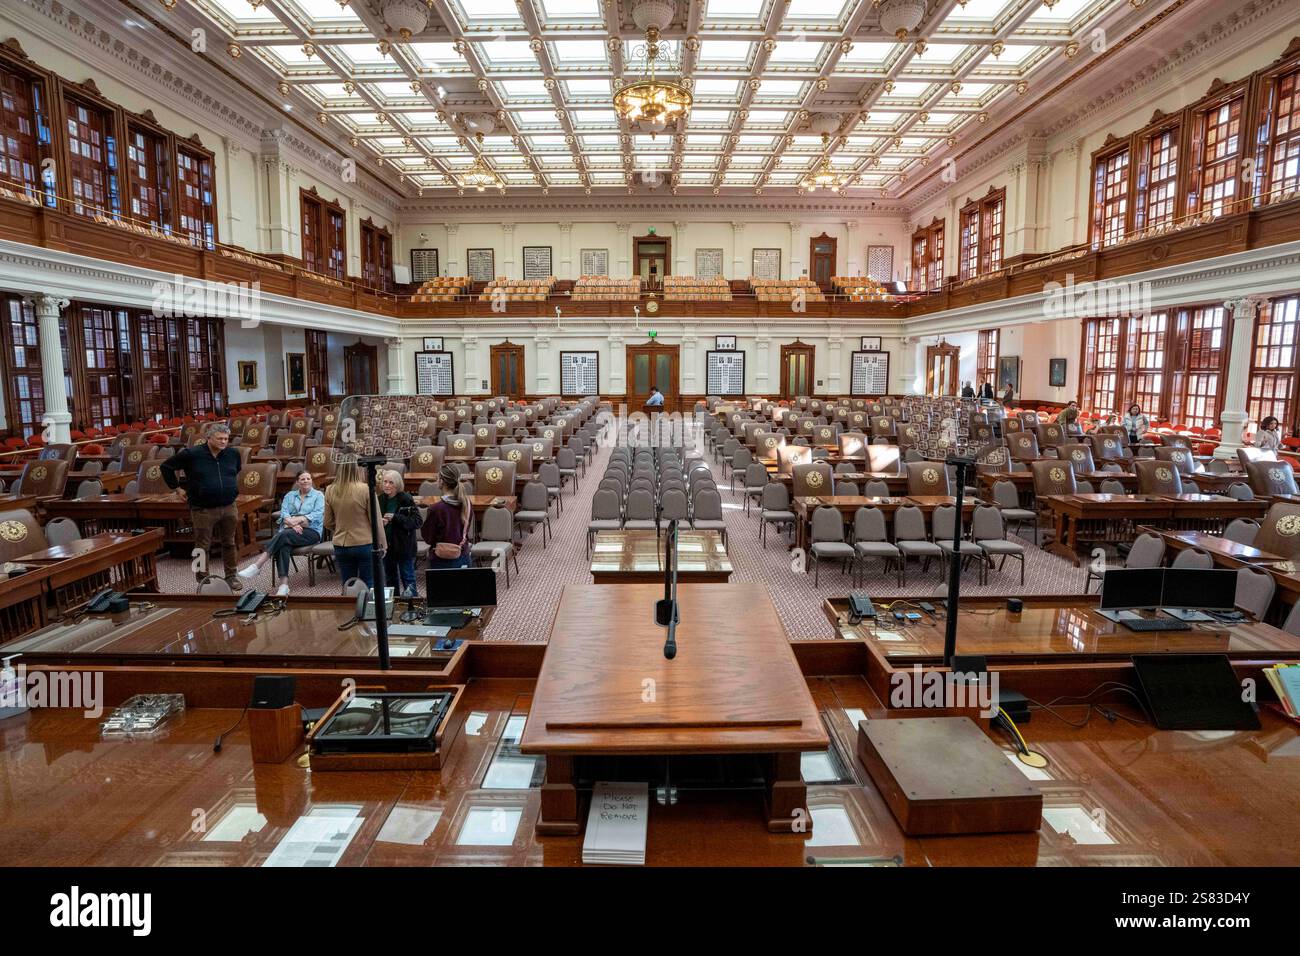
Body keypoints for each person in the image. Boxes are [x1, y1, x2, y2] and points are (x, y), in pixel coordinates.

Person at [160, 422, 244, 592]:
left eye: (226, 439)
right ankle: (202, 578)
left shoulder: (233, 454)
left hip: (229, 506)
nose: (223, 442)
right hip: (203, 509)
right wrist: (177, 488)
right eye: (219, 438)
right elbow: (166, 467)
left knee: (229, 543)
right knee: (201, 546)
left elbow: (235, 471)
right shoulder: (192, 454)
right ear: (208, 438)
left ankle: (231, 576)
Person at [237, 470, 324, 595]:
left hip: (311, 532)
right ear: (297, 482)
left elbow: (315, 516)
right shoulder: (290, 496)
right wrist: (293, 523)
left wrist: (294, 521)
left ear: (311, 481)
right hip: (290, 531)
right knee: (283, 545)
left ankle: (258, 565)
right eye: (302, 479)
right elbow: (284, 515)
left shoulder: (318, 496)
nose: (306, 481)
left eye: (308, 479)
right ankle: (284, 586)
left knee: (282, 535)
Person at [325, 457, 380, 589]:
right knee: (369, 582)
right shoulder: (366, 489)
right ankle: (368, 609)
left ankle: (349, 609)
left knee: (347, 584)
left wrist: (340, 527)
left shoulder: (330, 490)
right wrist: (382, 543)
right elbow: (376, 522)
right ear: (358, 469)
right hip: (364, 542)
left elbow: (327, 522)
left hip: (341, 543)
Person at [379, 469, 421, 597]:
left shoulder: (406, 499)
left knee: (407, 577)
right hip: (387, 545)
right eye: (385, 482)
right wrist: (381, 522)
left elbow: (417, 521)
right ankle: (394, 604)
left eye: (391, 482)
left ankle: (412, 604)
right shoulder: (380, 499)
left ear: (397, 484)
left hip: (403, 545)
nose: (387, 485)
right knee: (390, 578)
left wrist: (395, 517)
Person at [421, 464, 472, 569]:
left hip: (441, 560)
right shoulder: (467, 504)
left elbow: (428, 537)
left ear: (441, 481)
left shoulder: (436, 509)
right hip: (463, 554)